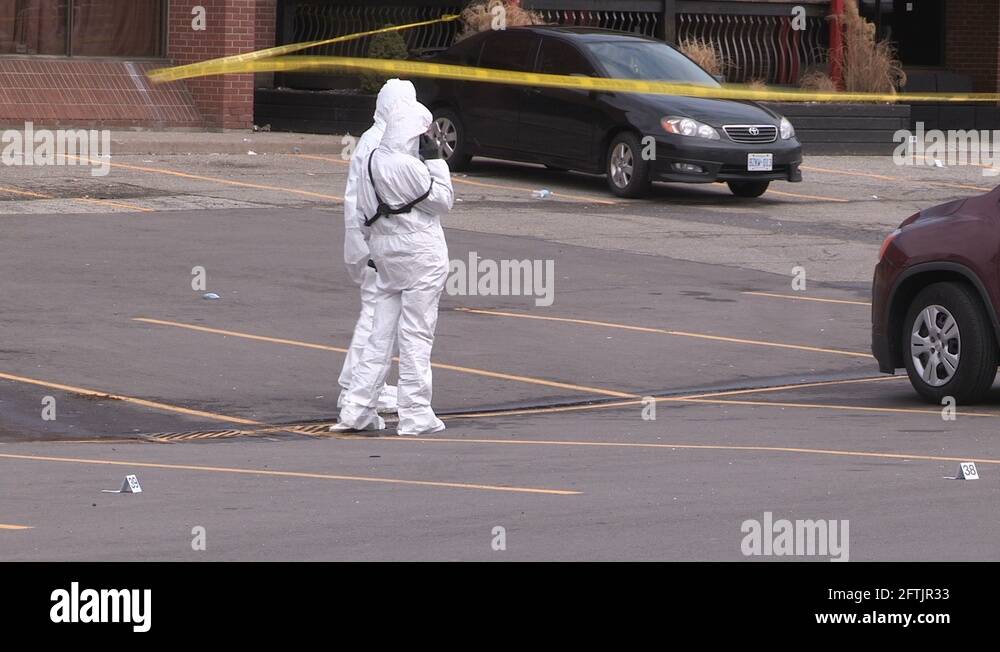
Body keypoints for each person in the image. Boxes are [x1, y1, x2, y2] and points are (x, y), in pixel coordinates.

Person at [333, 95, 454, 435]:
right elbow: (443, 199)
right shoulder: (408, 166)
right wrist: (435, 161)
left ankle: (357, 409)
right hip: (420, 254)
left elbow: (360, 213)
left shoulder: (371, 160)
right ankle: (415, 413)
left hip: (386, 254)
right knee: (416, 332)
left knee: (379, 334)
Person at [337, 79, 417, 414]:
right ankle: (355, 387)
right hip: (375, 241)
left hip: (371, 240)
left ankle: (368, 383)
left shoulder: (379, 137)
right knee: (375, 315)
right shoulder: (382, 142)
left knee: (378, 314)